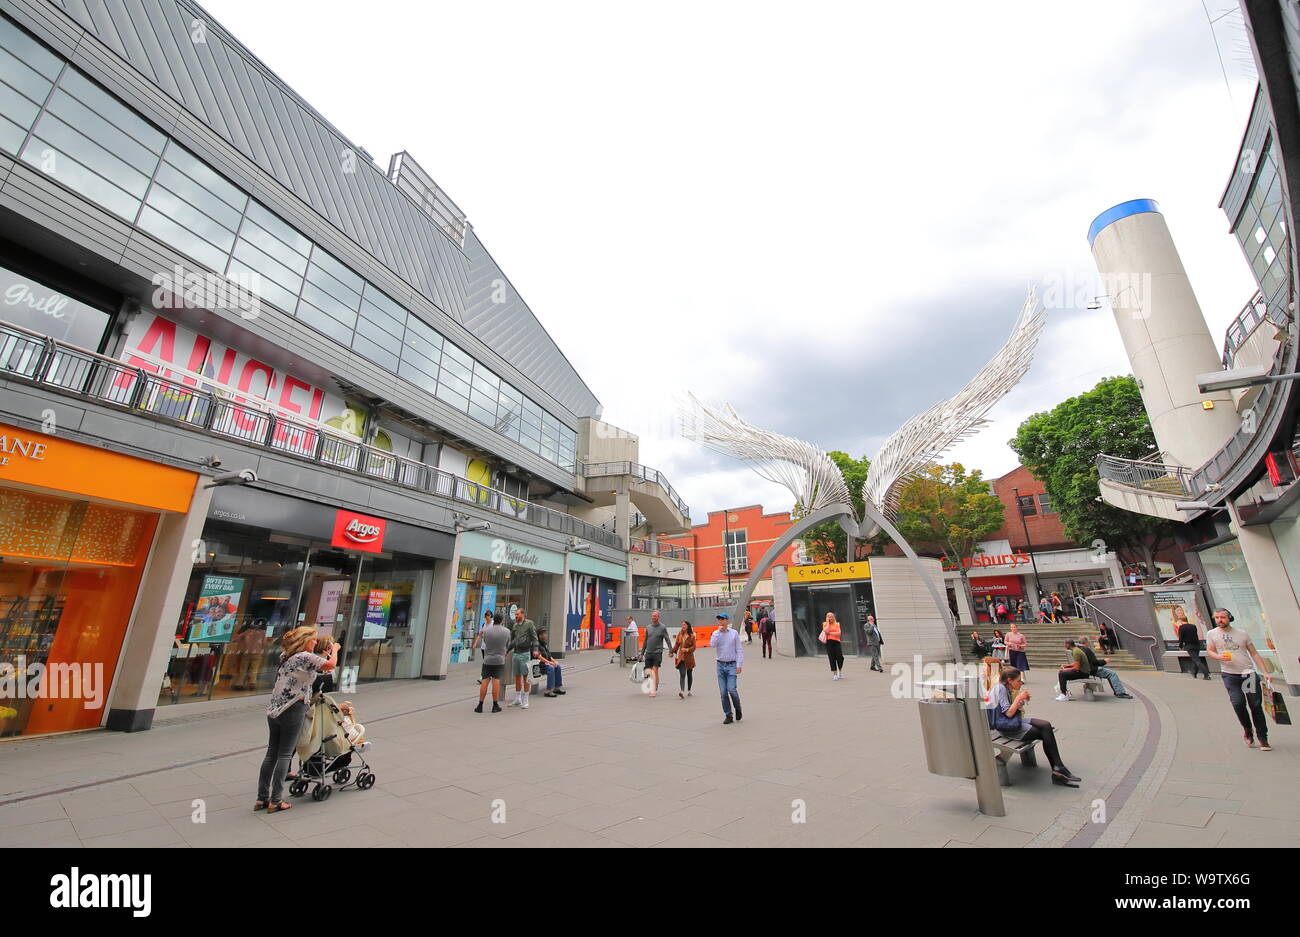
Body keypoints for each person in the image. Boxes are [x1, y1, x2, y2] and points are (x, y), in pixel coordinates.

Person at [256, 626, 337, 813]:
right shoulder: (305, 657)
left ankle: (262, 798)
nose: (316, 642)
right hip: (293, 707)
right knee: (285, 754)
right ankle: (276, 800)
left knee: (271, 754)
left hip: (275, 709)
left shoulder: (286, 656)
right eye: (313, 639)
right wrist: (335, 651)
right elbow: (331, 666)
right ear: (305, 640)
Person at [989, 668, 1081, 787]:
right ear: (1009, 680)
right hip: (1006, 726)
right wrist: (1019, 698)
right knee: (1044, 732)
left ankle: (1058, 768)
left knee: (1046, 725)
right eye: (1018, 681)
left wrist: (1021, 701)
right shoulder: (1000, 688)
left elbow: (1011, 710)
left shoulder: (1005, 687)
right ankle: (1058, 770)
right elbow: (1008, 713)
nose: (1020, 683)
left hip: (1012, 721)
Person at [1205, 608, 1273, 751]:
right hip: (1230, 675)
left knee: (1255, 705)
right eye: (1216, 618)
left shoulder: (1242, 634)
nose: (1219, 620)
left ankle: (1263, 738)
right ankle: (1247, 729)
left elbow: (1254, 653)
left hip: (1247, 674)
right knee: (1238, 703)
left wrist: (1265, 672)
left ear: (1229, 617)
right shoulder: (1212, 634)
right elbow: (1210, 650)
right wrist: (1218, 657)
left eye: (1222, 617)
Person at [471, 611, 510, 713]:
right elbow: (508, 645)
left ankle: (480, 705)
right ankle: (495, 705)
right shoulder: (506, 631)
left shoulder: (487, 631)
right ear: (501, 620)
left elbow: (486, 643)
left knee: (485, 681)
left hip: (488, 659)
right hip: (499, 659)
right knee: (496, 681)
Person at [712, 613, 743, 724]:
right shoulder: (716, 633)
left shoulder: (734, 633)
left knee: (732, 690)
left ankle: (737, 707)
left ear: (727, 621)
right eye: (719, 619)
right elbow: (712, 644)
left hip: (731, 665)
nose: (721, 621)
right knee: (723, 692)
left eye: (723, 619)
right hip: (720, 665)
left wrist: (739, 664)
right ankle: (728, 715)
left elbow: (739, 649)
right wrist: (718, 633)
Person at [509, 607, 538, 710]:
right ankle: (518, 698)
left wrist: (535, 649)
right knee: (517, 676)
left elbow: (535, 638)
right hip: (516, 653)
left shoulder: (529, 624)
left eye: (517, 614)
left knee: (526, 677)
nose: (516, 616)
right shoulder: (515, 625)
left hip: (525, 653)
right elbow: (512, 640)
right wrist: (507, 650)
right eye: (515, 615)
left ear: (523, 614)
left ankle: (526, 700)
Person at [642, 610, 673, 697]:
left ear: (658, 617)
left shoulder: (662, 627)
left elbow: (667, 639)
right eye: (652, 616)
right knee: (649, 671)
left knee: (655, 670)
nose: (653, 617)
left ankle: (653, 689)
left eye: (655, 616)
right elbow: (645, 641)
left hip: (657, 652)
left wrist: (671, 650)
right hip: (648, 652)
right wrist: (642, 653)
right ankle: (654, 683)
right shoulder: (648, 627)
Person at [1173, 607, 1210, 680]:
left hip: (1189, 646)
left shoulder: (1182, 627)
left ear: (1181, 620)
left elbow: (1181, 638)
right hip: (1197, 645)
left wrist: (1180, 646)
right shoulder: (1193, 626)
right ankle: (1194, 673)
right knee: (1195, 658)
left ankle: (1206, 674)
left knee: (1196, 660)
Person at [535, 626, 565, 698]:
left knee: (557, 666)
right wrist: (549, 662)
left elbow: (549, 655)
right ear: (540, 635)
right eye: (544, 634)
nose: (546, 635)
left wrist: (554, 661)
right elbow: (539, 657)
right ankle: (549, 690)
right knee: (551, 668)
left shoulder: (544, 644)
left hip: (545, 663)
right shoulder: (536, 644)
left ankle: (556, 688)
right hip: (539, 665)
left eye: (545, 633)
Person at [672, 620, 696, 698]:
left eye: (684, 625)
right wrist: (672, 651)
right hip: (681, 657)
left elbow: (694, 647)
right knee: (682, 674)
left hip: (689, 658)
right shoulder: (680, 634)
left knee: (689, 674)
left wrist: (687, 649)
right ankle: (682, 691)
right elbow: (677, 644)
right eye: (682, 625)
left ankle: (689, 690)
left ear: (688, 626)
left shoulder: (692, 636)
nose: (683, 626)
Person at [822, 611, 844, 680]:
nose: (830, 618)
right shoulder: (825, 624)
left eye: (831, 616)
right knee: (832, 658)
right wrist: (828, 623)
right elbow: (826, 631)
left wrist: (830, 633)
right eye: (829, 616)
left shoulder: (837, 624)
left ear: (833, 617)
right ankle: (834, 674)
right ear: (827, 617)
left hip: (837, 642)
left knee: (840, 657)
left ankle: (840, 670)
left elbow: (839, 633)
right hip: (829, 643)